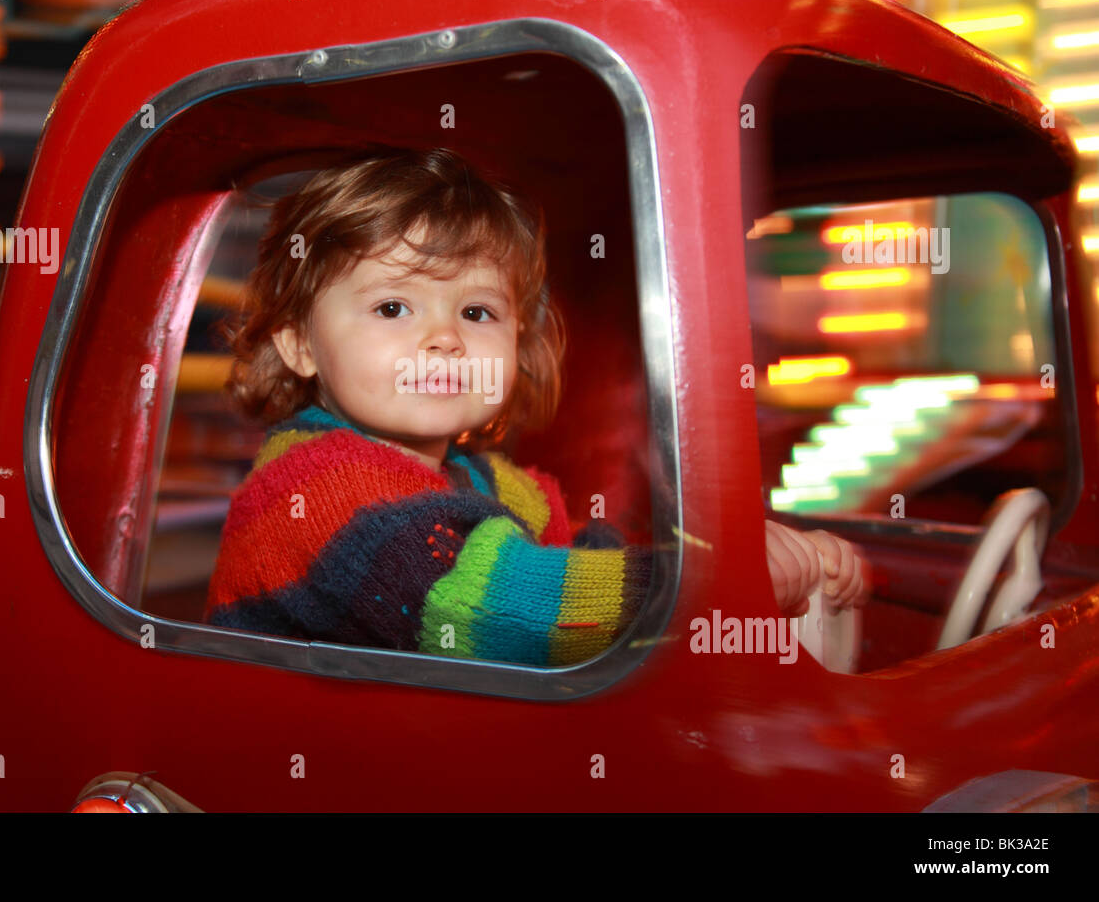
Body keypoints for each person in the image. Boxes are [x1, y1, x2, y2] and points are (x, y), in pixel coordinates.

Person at [205, 146, 868, 665]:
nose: (444, 337)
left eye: (477, 311)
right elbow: (493, 609)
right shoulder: (316, 487)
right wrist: (708, 583)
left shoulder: (489, 481)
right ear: (298, 344)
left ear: (518, 341)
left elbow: (593, 554)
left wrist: (735, 551)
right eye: (392, 307)